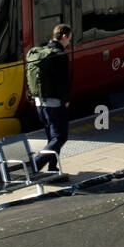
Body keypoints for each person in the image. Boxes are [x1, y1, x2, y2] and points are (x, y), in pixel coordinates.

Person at [33, 23, 73, 173]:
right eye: (69, 38)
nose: (69, 41)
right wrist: (66, 100)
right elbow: (63, 82)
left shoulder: (43, 51)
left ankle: (52, 168)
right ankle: (35, 164)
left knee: (52, 138)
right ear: (63, 37)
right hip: (54, 104)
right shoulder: (60, 55)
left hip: (40, 102)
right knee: (60, 138)